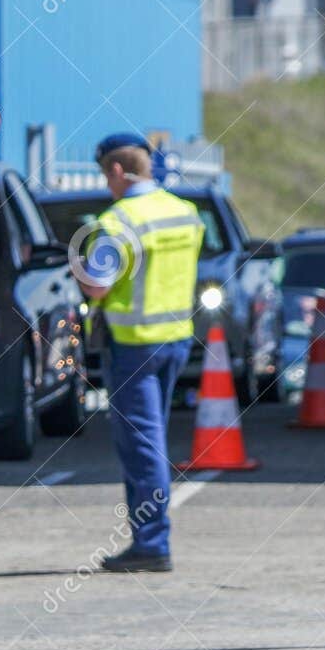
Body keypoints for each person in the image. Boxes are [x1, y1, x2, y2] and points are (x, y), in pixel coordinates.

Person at [78, 134, 205, 573]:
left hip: (133, 348)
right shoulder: (184, 213)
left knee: (142, 447)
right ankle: (150, 540)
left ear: (116, 170)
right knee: (154, 439)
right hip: (176, 339)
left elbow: (97, 284)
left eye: (104, 175)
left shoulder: (119, 221)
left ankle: (152, 544)